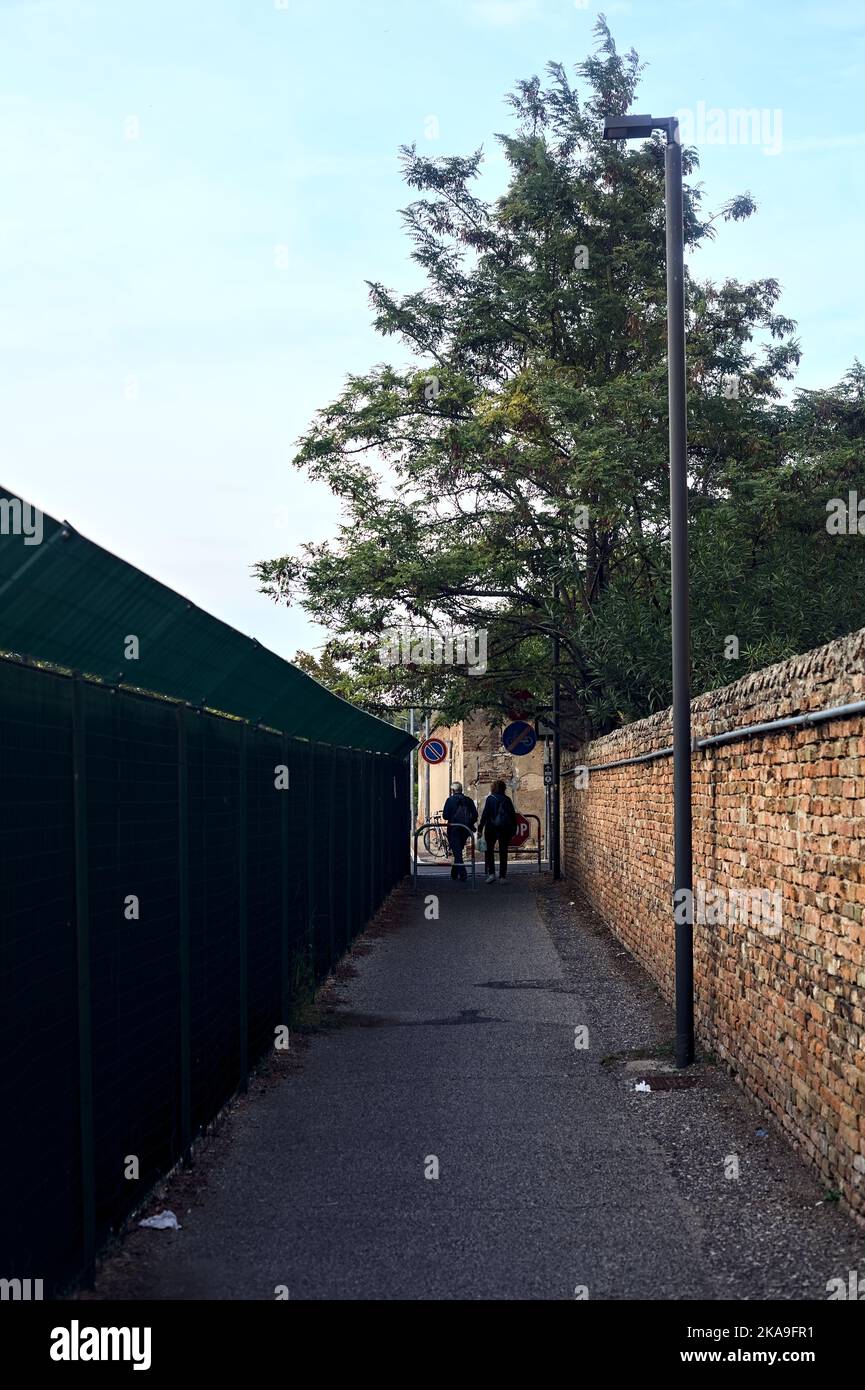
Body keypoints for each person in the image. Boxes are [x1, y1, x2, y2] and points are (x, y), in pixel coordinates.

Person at [478, 779, 518, 883]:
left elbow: (485, 815)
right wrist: (514, 829)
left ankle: (491, 874)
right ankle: (502, 877)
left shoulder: (490, 799)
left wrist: (480, 828)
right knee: (503, 852)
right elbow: (512, 816)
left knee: (489, 851)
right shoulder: (507, 799)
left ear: (493, 788)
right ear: (504, 788)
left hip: (491, 828)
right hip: (504, 829)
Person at [442, 781, 477, 882]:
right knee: (458, 851)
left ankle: (463, 874)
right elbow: (475, 815)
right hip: (465, 829)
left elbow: (445, 816)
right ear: (461, 790)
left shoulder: (450, 800)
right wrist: (469, 822)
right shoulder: (468, 800)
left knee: (457, 852)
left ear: (452, 790)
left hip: (453, 829)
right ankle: (454, 874)